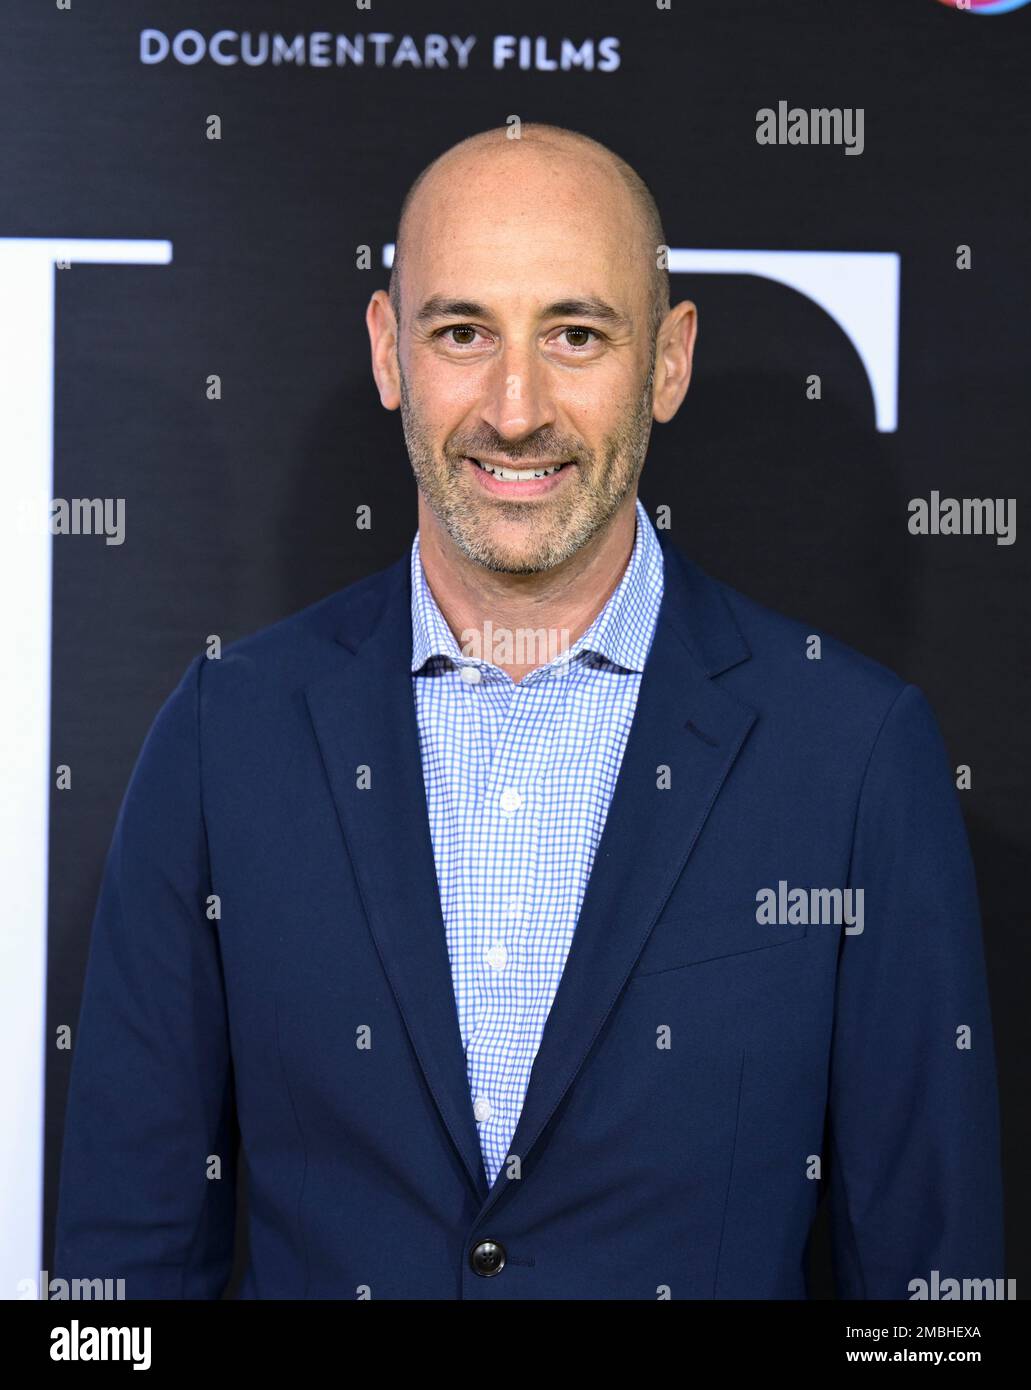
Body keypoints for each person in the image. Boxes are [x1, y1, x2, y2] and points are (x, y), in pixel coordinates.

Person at [55, 123, 1003, 1299]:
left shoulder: (851, 754)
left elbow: (932, 1299)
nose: (514, 409)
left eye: (574, 334)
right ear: (387, 350)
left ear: (666, 358)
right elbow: (120, 1278)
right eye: (461, 332)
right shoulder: (223, 734)